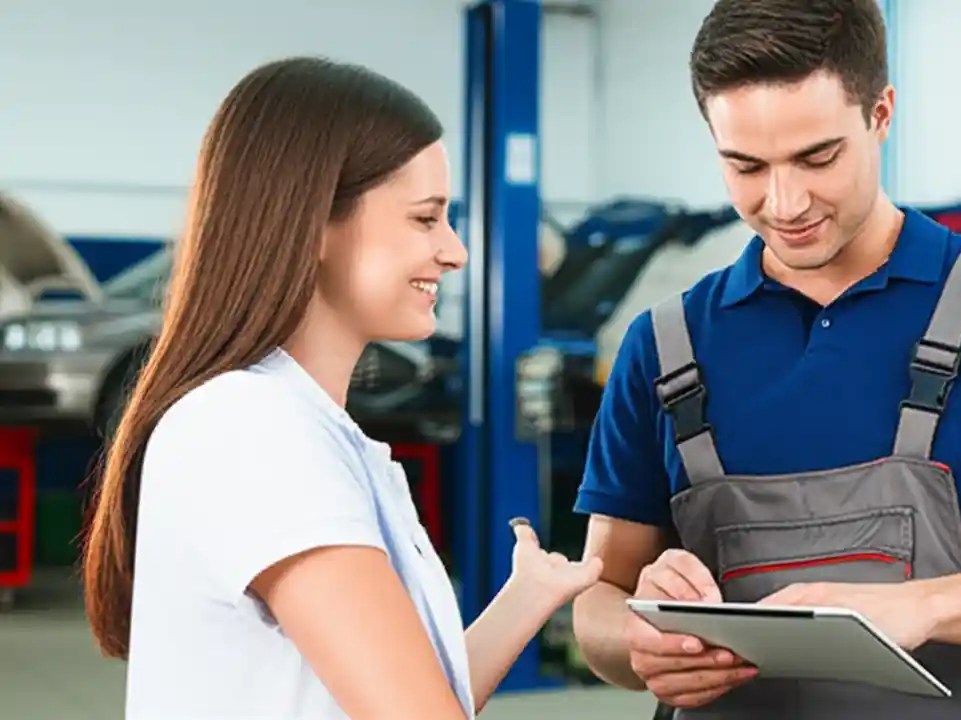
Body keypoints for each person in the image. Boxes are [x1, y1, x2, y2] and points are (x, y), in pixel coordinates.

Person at [570, 1, 961, 718]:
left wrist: (924, 607)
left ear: (881, 114)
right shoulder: (664, 344)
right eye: (745, 166)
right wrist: (639, 640)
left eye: (817, 157)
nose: (784, 201)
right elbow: (599, 599)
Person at [80, 56, 601, 720]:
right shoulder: (253, 429)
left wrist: (527, 597)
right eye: (425, 218)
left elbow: (394, 695)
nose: (455, 251)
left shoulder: (303, 427)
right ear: (316, 221)